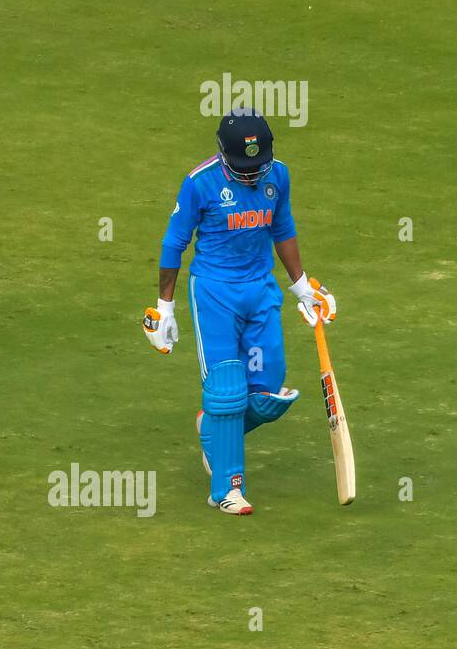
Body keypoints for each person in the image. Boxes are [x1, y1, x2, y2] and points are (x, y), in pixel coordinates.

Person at [144, 108, 337, 515]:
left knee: (268, 393)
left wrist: (302, 287)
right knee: (228, 391)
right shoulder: (199, 183)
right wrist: (165, 308)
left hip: (261, 290)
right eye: (243, 169)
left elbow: (281, 228)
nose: (252, 177)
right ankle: (226, 489)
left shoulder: (278, 176)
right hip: (214, 294)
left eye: (257, 168)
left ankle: (211, 428)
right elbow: (173, 244)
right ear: (223, 154)